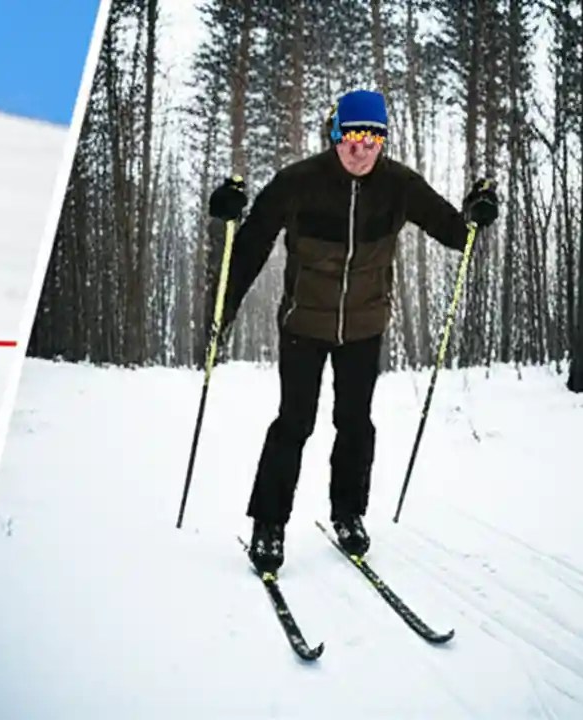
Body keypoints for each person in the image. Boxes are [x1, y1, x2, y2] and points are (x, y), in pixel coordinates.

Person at [206, 89, 498, 573]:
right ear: (334, 134)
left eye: (372, 139)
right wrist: (225, 297)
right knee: (294, 423)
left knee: (355, 423)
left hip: (364, 326)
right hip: (303, 323)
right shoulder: (298, 182)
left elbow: (453, 230)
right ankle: (269, 523)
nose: (360, 149)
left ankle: (348, 515)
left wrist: (477, 211)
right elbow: (252, 243)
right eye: (350, 137)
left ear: (382, 141)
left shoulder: (399, 186)